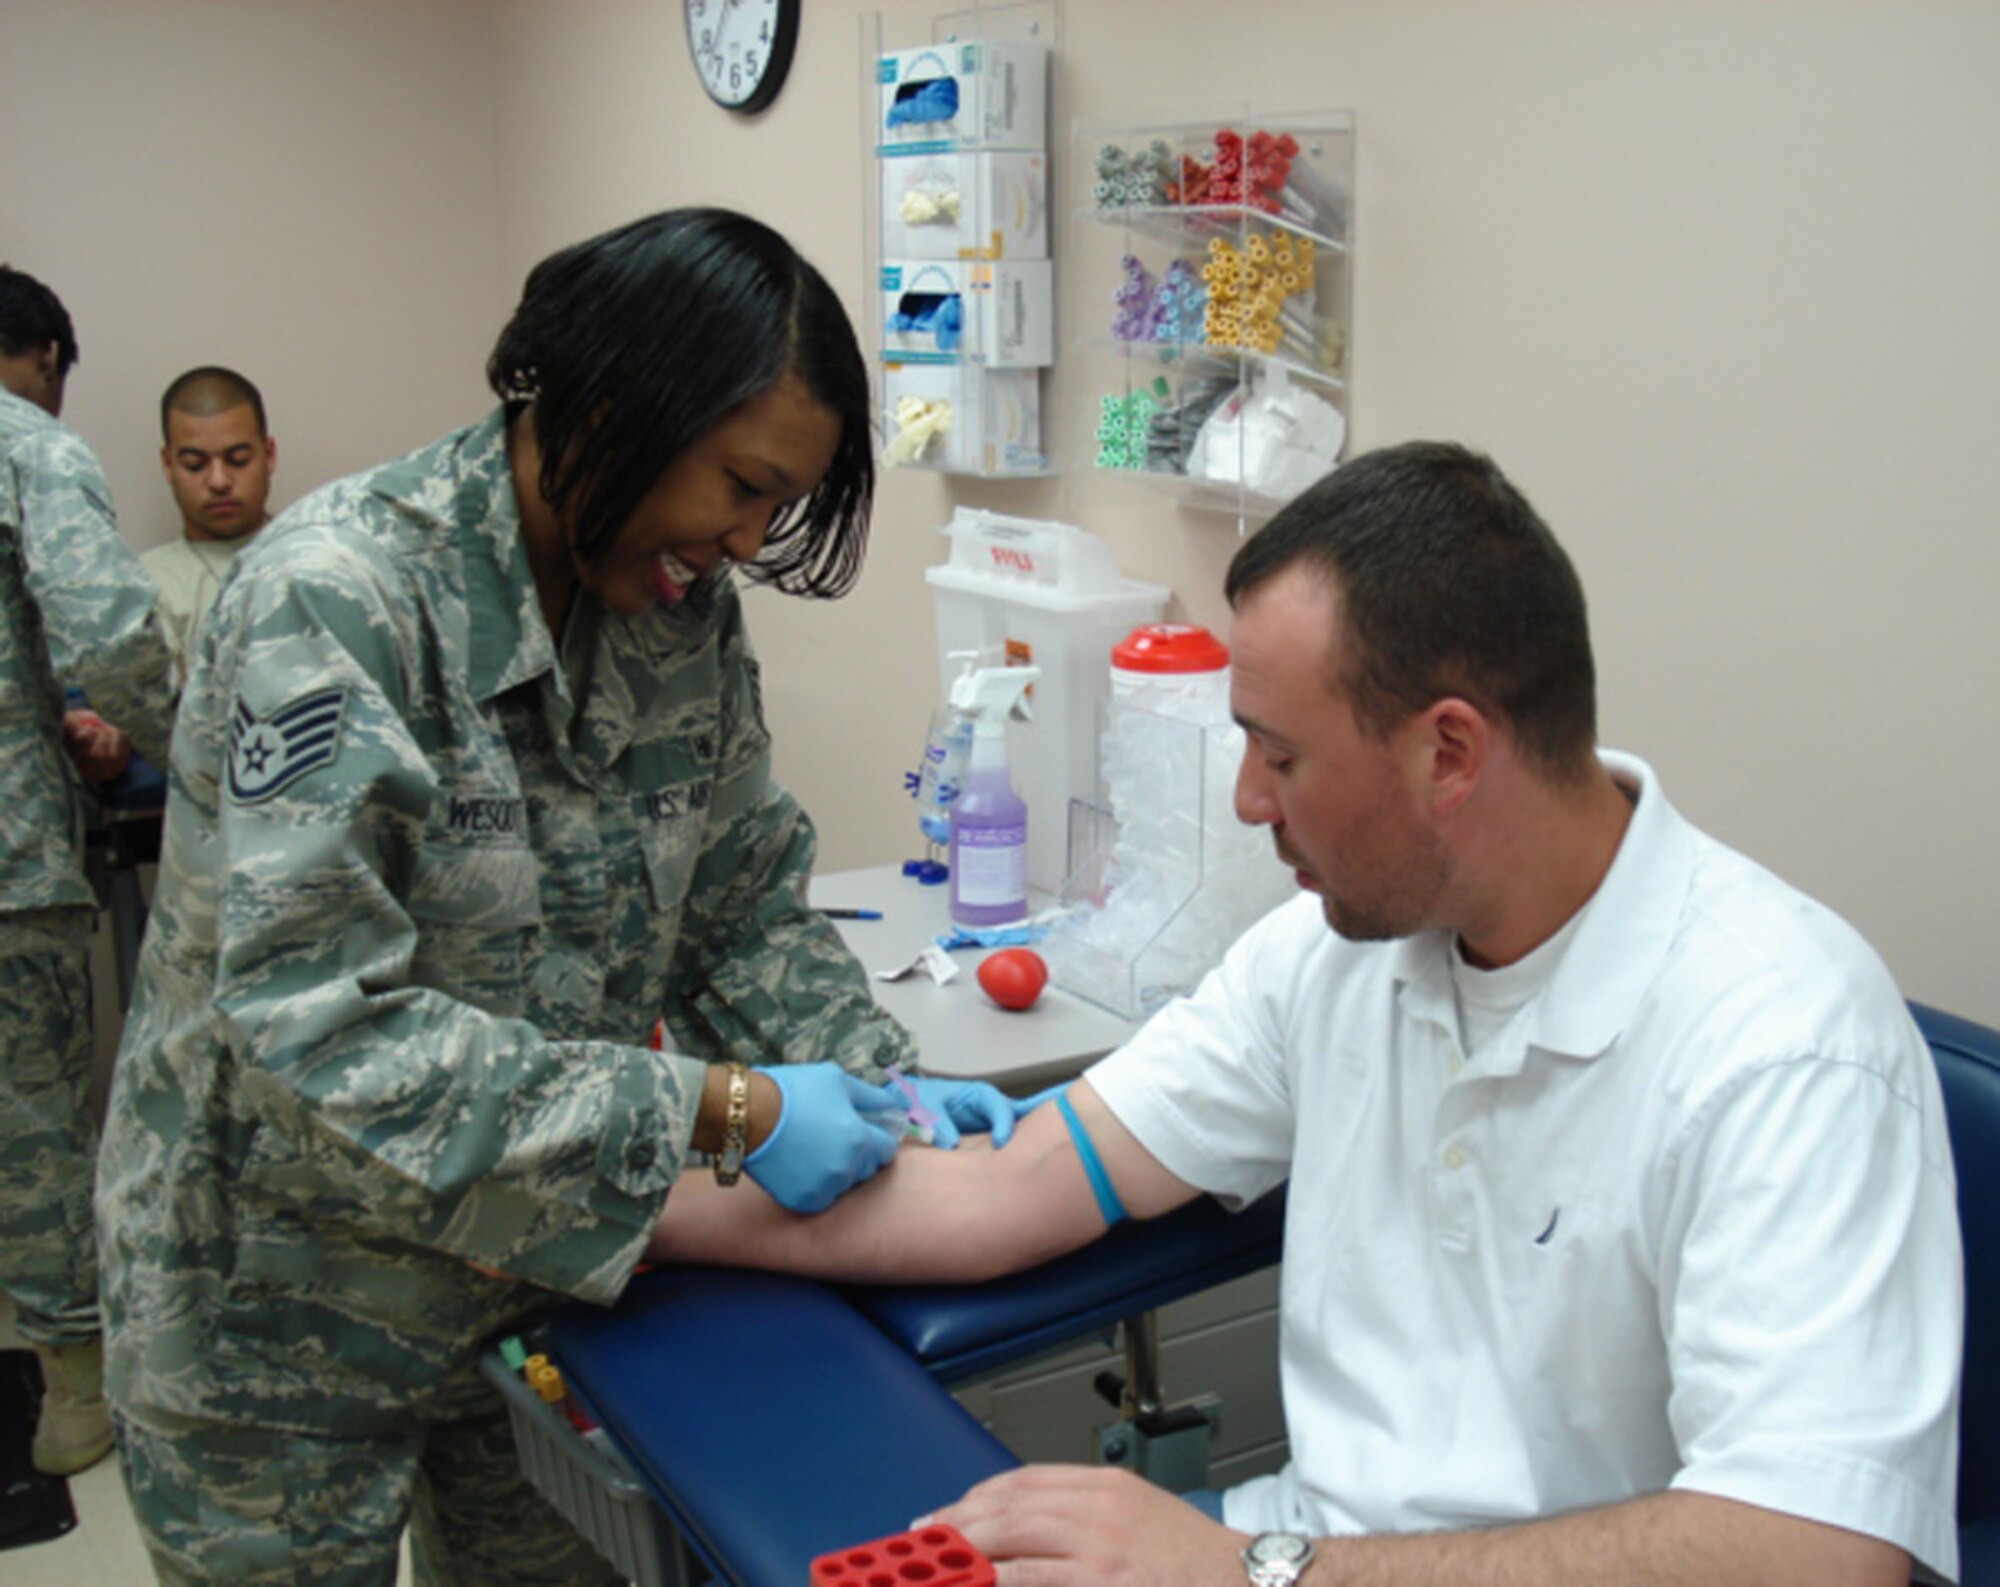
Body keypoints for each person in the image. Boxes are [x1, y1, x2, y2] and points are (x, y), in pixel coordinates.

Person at [650, 442, 1963, 1587]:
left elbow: (1815, 1553)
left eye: (1279, 755)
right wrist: (622, 1206)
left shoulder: (1779, 1042)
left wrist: (1244, 1568)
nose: (1246, 803)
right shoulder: (1331, 956)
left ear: (1449, 752)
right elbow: (1006, 1186)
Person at [95, 209, 1018, 1585]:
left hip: (532, 1263)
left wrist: (883, 1081)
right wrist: (729, 1109)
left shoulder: (674, 603)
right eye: (741, 485)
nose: (745, 540)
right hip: (274, 1306)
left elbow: (739, 904)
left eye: (778, 507)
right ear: (605, 408)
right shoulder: (337, 600)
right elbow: (319, 1030)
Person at [0, 262, 175, 1476]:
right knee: (35, 1130)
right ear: (46, 360)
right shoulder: (27, 443)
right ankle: (74, 1385)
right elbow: (110, 634)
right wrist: (195, 758)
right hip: (10, 863)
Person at [144, 365, 277, 688]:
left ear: (268, 455)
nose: (219, 481)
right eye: (195, 464)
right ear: (168, 464)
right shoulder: (144, 587)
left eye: (238, 459)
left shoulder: (317, 556)